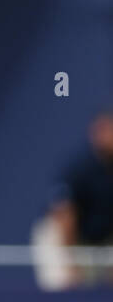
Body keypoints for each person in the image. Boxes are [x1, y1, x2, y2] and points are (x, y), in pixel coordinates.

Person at [37, 107, 113, 288]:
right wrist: (70, 262)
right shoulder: (80, 167)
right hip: (64, 236)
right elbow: (65, 218)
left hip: (100, 238)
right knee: (66, 290)